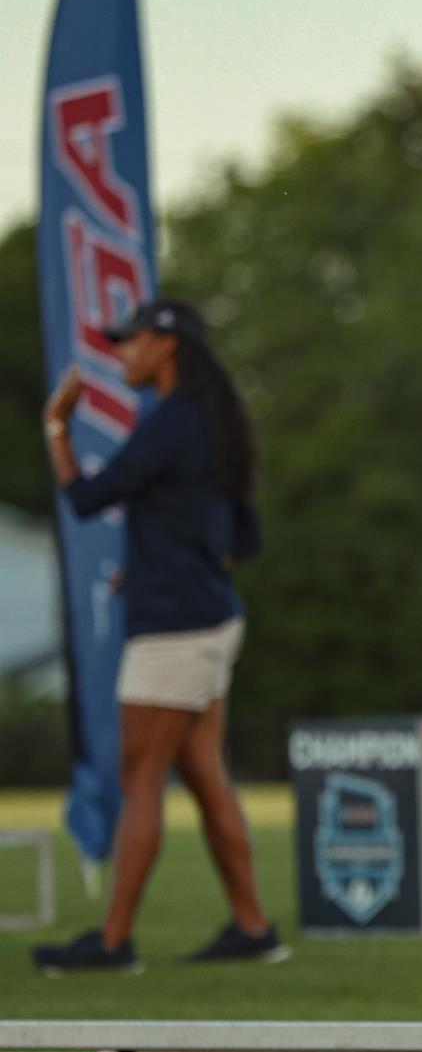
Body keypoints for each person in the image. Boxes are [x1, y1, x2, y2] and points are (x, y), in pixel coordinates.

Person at [33, 298, 285, 974]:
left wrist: (57, 427)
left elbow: (88, 498)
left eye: (131, 340)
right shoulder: (210, 420)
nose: (122, 352)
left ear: (167, 345)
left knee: (141, 776)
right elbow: (240, 538)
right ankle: (253, 928)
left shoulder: (173, 420)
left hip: (175, 628)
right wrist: (156, 568)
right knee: (203, 774)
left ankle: (114, 943)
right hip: (209, 617)